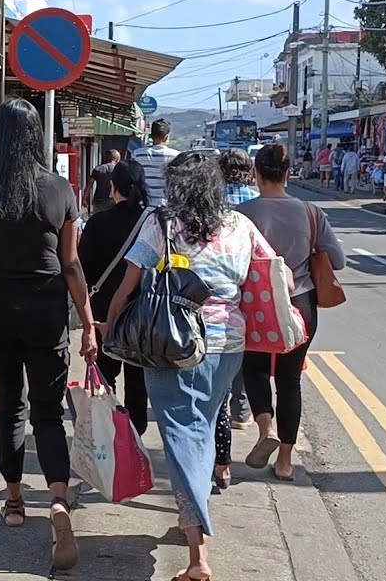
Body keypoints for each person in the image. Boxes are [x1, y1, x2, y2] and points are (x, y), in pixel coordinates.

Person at [0, 99, 98, 572]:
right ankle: (60, 503)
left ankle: (12, 501)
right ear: (36, 137)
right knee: (48, 415)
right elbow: (70, 264)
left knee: (10, 405)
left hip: (0, 309)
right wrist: (88, 323)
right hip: (48, 310)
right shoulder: (60, 189)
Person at [104, 151, 275, 581]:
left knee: (183, 439)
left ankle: (199, 555)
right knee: (198, 432)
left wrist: (107, 331)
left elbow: (128, 284)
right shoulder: (241, 225)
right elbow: (279, 275)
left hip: (171, 345)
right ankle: (193, 517)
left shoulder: (161, 224)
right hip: (228, 348)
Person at [238, 145, 346, 481]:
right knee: (290, 379)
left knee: (252, 368)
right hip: (299, 303)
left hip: (254, 305)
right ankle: (285, 461)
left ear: (255, 174)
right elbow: (338, 261)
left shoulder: (242, 213)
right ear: (288, 173)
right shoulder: (312, 212)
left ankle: (265, 425)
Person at [78, 160, 150, 436]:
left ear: (112, 187)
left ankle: (109, 436)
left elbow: (81, 269)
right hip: (142, 316)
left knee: (105, 378)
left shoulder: (97, 223)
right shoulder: (153, 223)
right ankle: (135, 437)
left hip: (102, 315)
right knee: (137, 380)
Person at [216, 149, 257, 435]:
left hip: (222, 280)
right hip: (252, 281)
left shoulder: (214, 199)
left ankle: (219, 403)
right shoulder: (255, 199)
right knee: (245, 343)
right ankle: (241, 408)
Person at [131, 119, 180, 207]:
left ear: (151, 135)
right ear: (166, 137)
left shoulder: (138, 154)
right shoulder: (176, 156)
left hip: (144, 207)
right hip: (167, 208)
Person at [86, 149, 121, 215]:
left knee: (97, 221)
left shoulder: (98, 169)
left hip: (98, 200)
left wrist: (85, 198)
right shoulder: (118, 170)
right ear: (116, 159)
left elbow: (89, 185)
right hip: (112, 201)